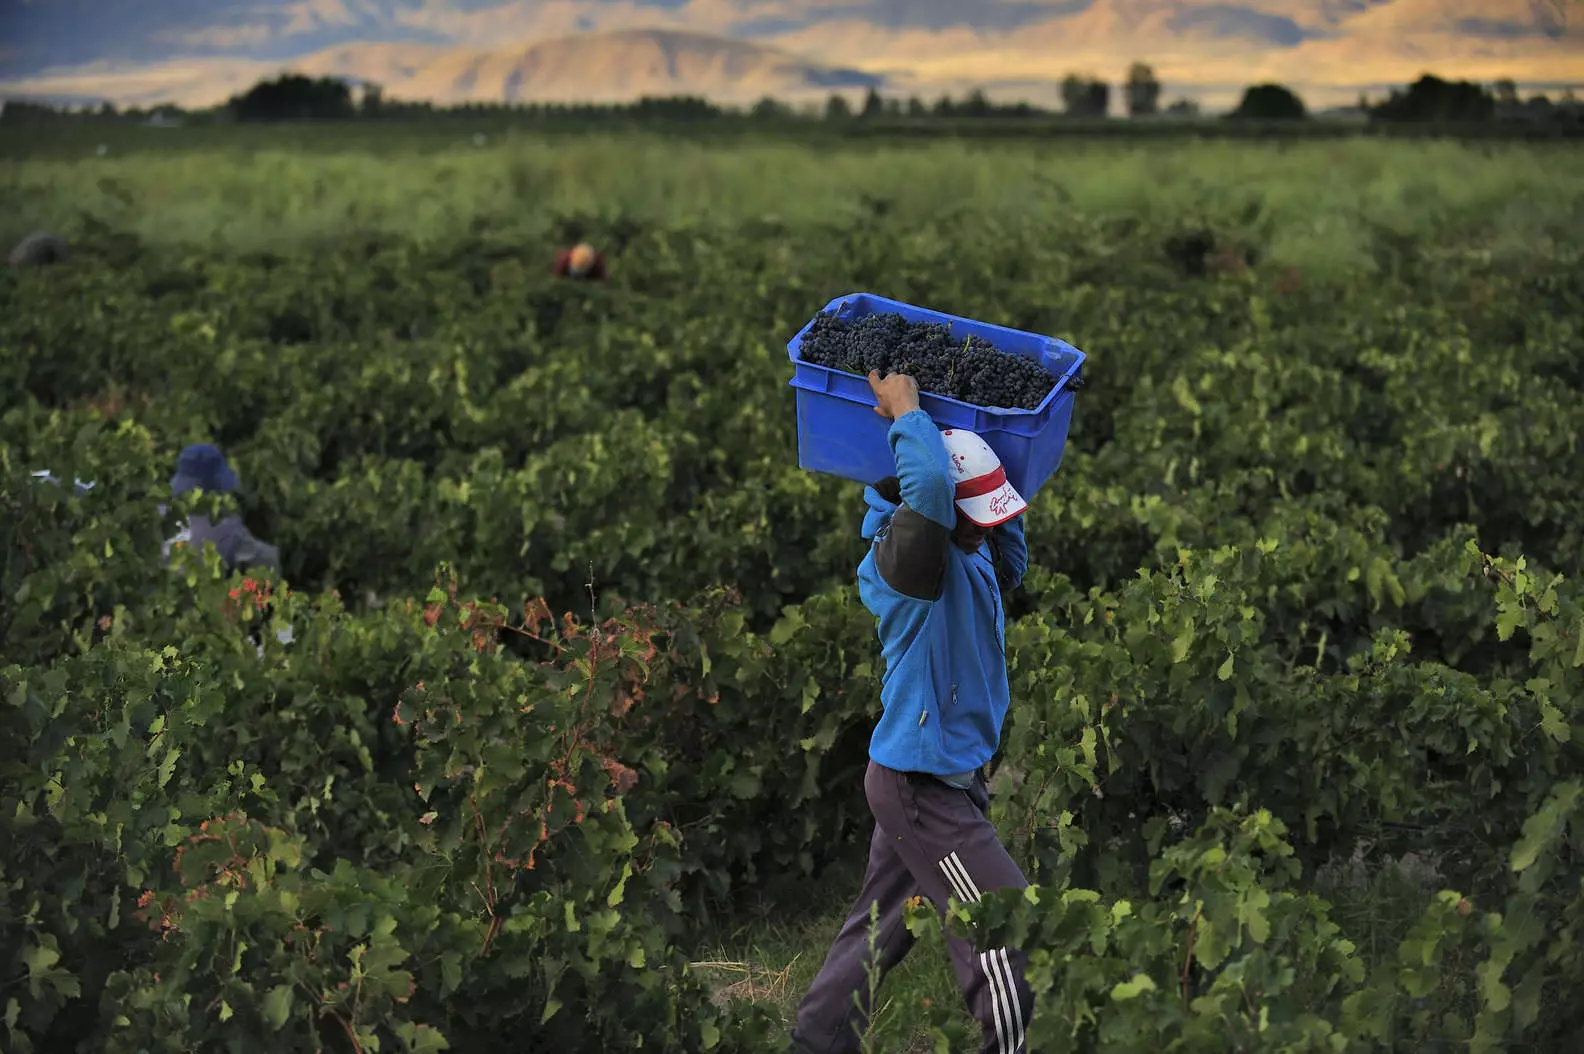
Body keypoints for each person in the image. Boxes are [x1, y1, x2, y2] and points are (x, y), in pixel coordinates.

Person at [790, 370, 1034, 1054]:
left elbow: (1002, 538)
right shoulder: (909, 564)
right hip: (923, 788)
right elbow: (927, 489)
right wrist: (906, 412)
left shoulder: (970, 550)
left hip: (932, 773)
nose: (987, 528)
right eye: (976, 514)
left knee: (874, 930)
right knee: (1004, 924)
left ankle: (816, 1043)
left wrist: (989, 459)